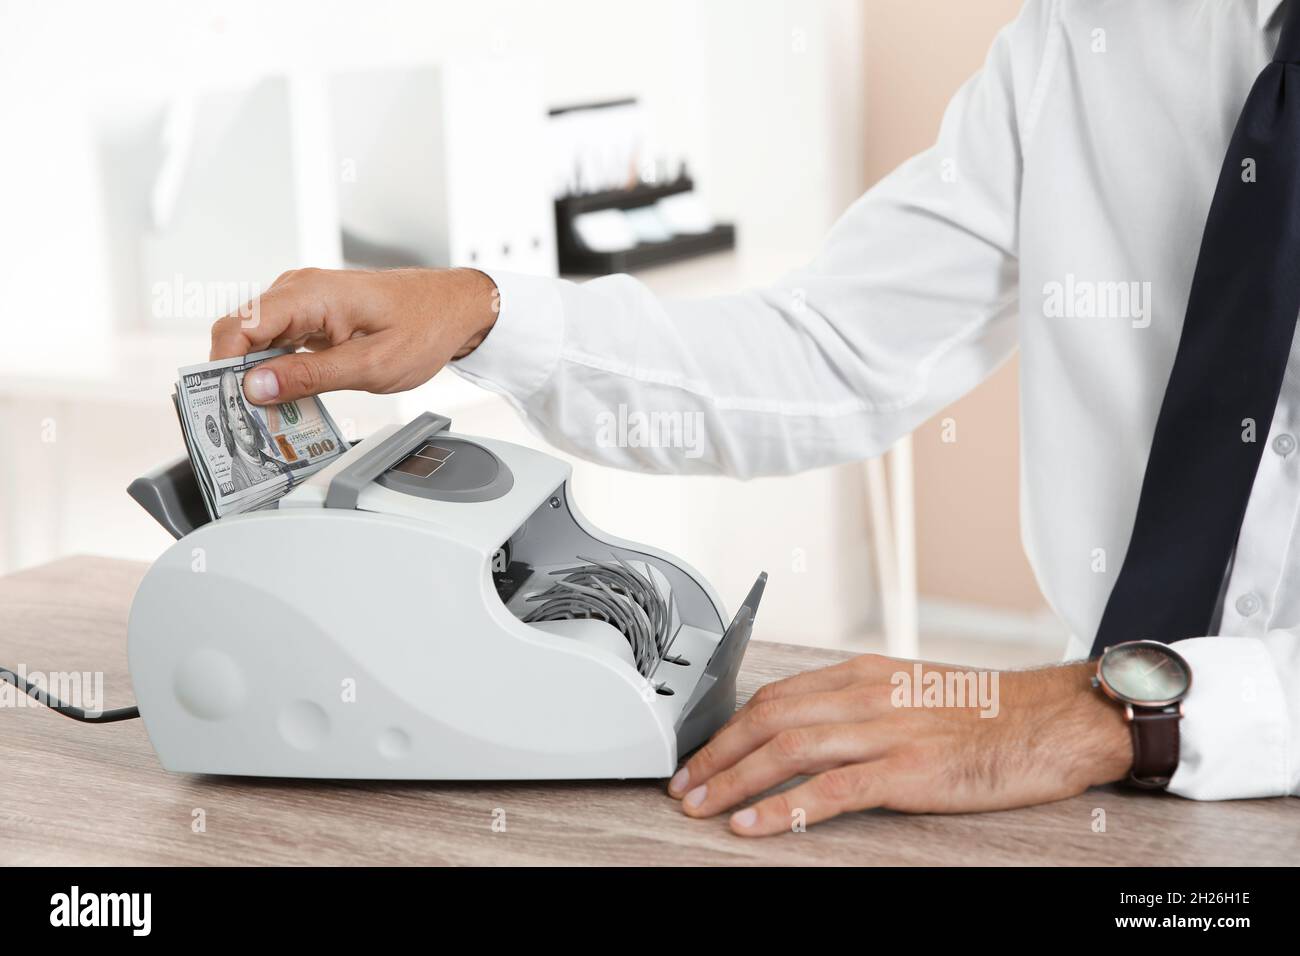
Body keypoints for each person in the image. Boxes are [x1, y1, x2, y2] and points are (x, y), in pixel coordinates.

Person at [211, 0, 1300, 835]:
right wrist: (480, 314)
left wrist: (1105, 710)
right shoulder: (1091, 36)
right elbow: (830, 352)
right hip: (1089, 805)